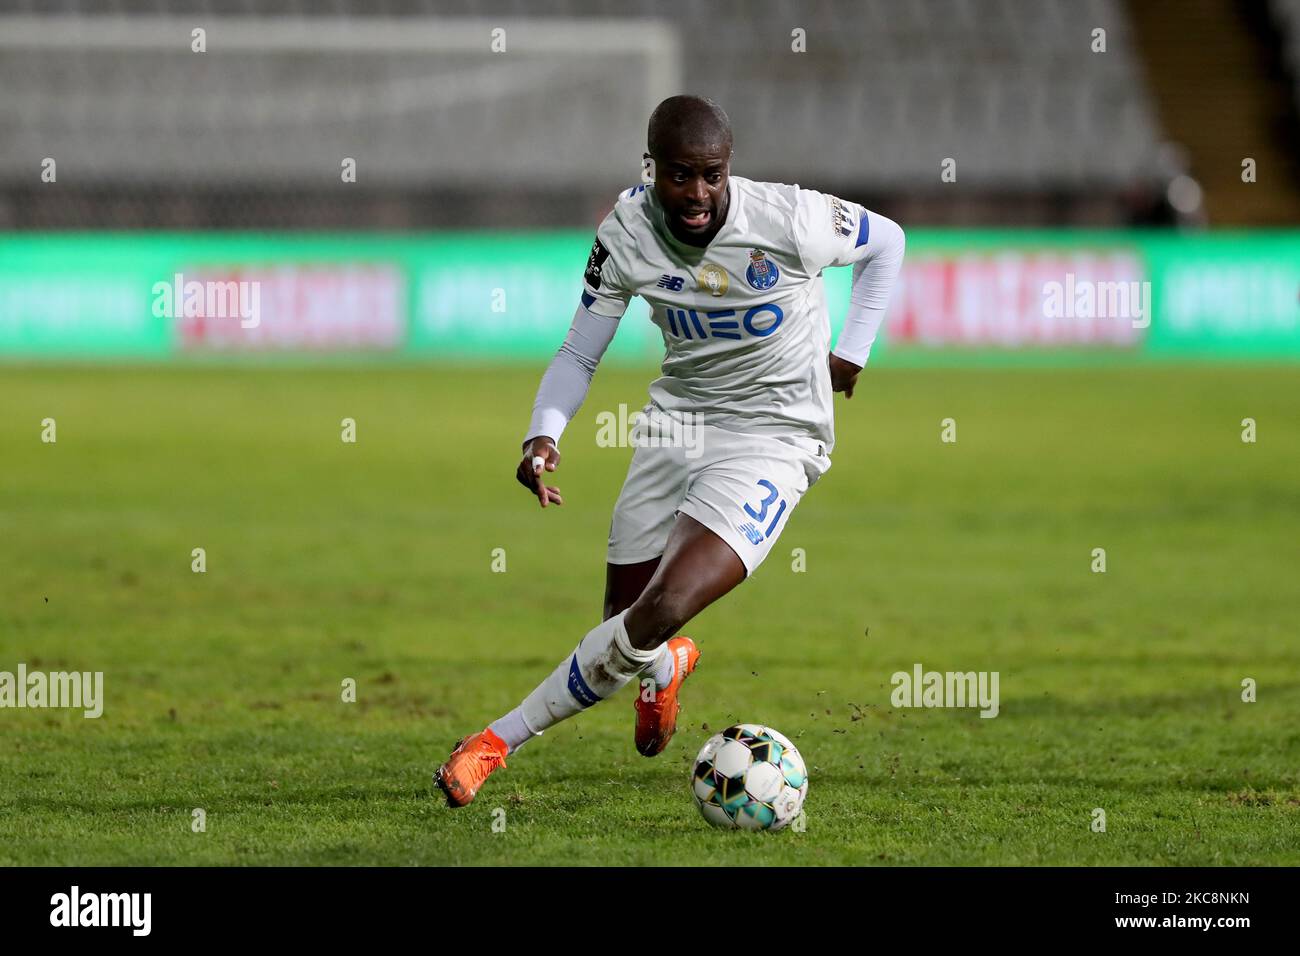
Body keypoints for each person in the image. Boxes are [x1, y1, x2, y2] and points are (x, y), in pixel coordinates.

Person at [434, 94, 905, 807]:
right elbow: (579, 350)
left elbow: (887, 242)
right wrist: (544, 432)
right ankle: (663, 668)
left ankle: (493, 744)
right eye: (681, 175)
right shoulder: (625, 232)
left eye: (712, 175)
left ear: (729, 168)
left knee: (660, 608)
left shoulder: (790, 219)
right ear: (651, 168)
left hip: (775, 435)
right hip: (676, 426)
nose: (698, 193)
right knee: (622, 630)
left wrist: (854, 350)